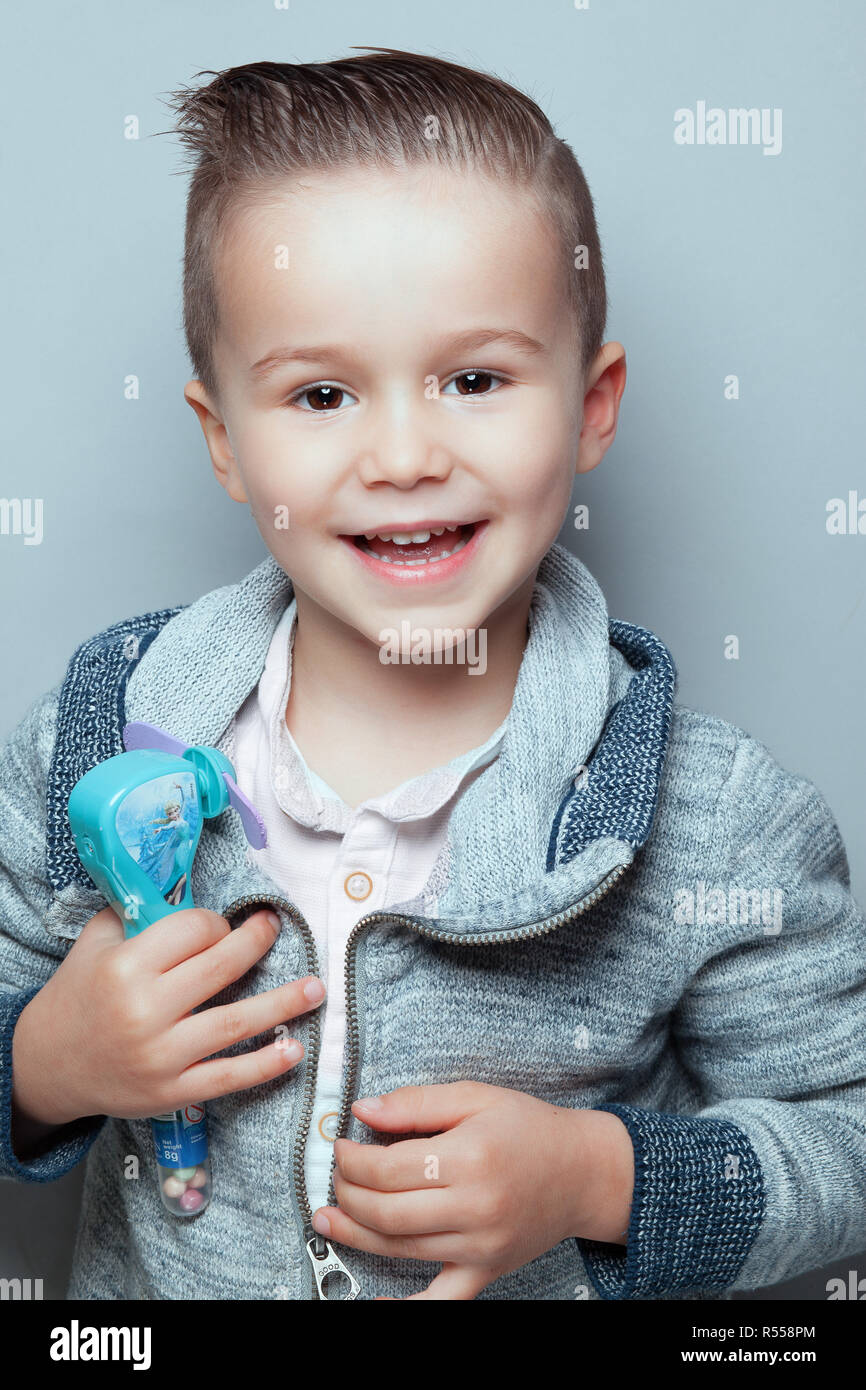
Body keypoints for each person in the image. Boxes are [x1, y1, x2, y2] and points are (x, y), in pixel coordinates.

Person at [2, 48, 864, 1302]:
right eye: (320, 392)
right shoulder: (98, 741)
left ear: (590, 404)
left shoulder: (712, 820)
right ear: (224, 441)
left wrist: (597, 1178)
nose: (402, 453)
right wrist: (44, 1064)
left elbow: (845, 1138)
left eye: (472, 379)